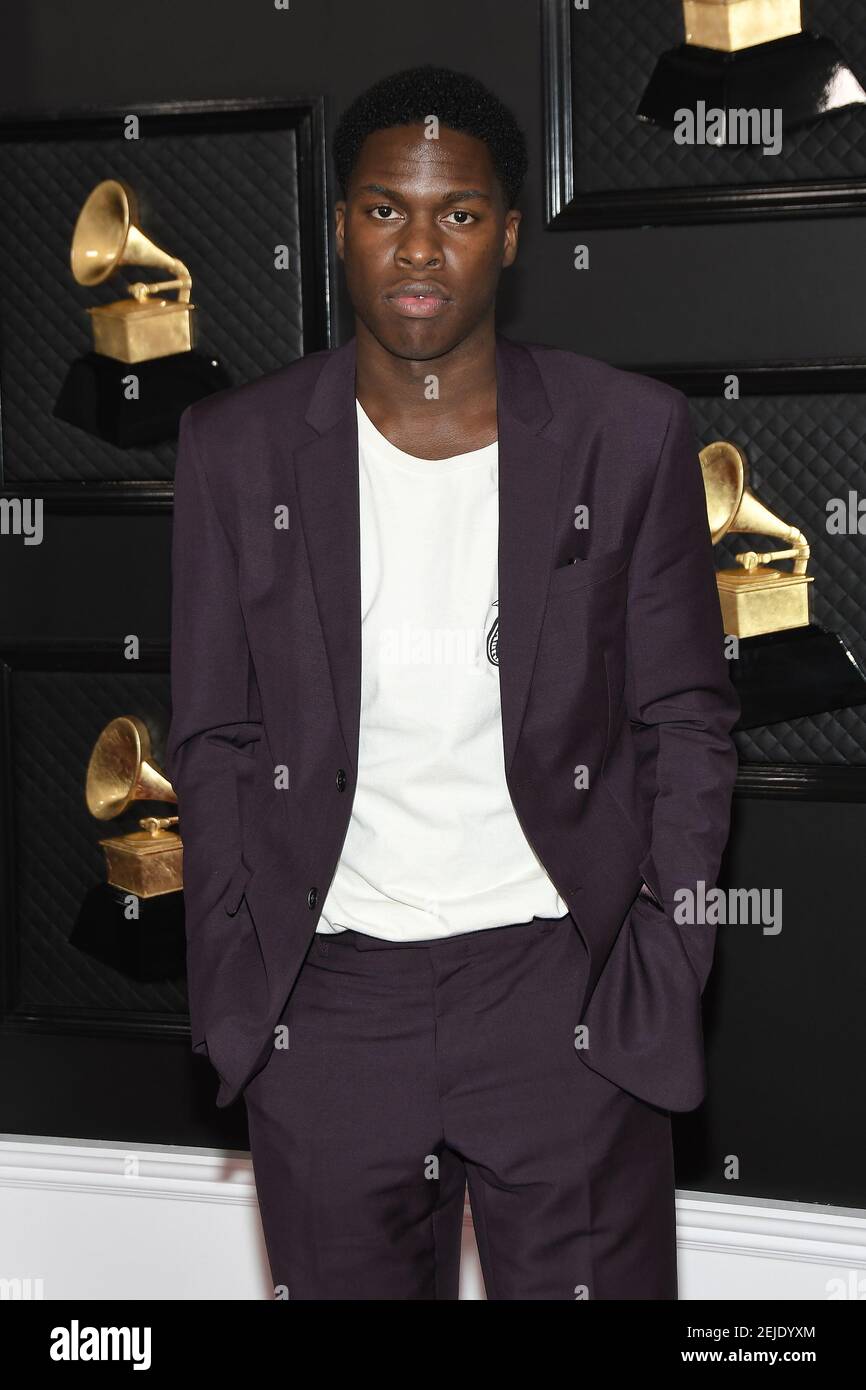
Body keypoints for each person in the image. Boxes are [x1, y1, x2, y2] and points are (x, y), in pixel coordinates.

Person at [166, 64, 740, 1300]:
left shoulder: (622, 432)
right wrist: (235, 983)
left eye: (458, 213)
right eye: (383, 209)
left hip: (562, 993)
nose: (418, 247)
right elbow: (211, 733)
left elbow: (685, 718)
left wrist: (662, 956)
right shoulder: (236, 446)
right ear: (337, 227)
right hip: (326, 1009)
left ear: (510, 233)